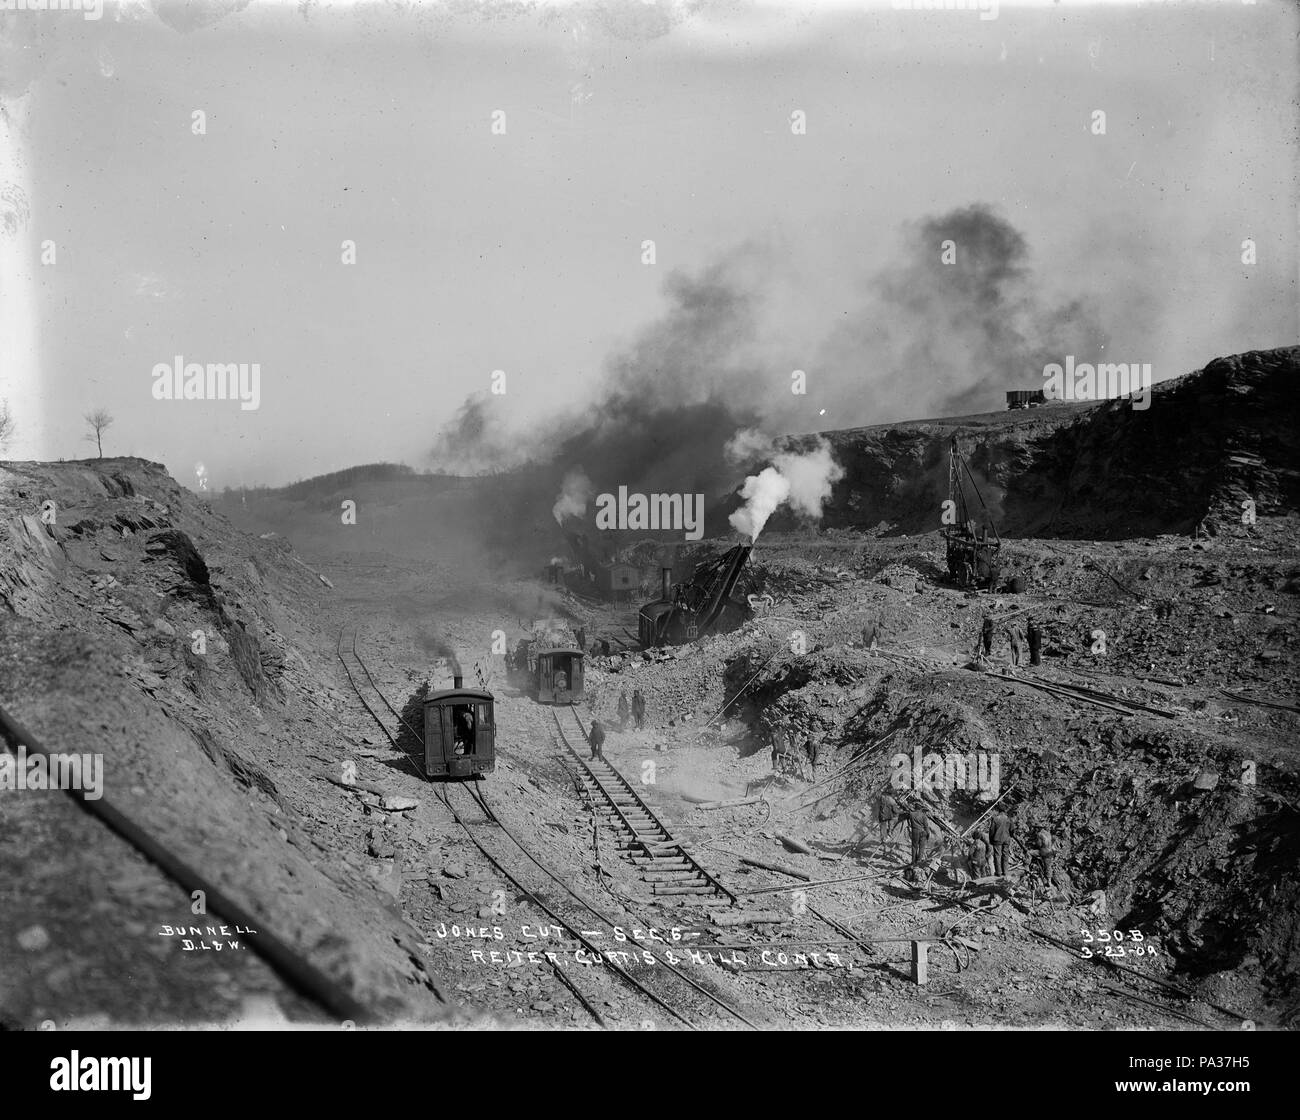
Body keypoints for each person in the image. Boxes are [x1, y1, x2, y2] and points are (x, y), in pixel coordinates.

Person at [906, 801, 932, 867]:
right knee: (921, 847)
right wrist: (928, 833)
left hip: (915, 831)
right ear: (921, 808)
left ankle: (913, 861)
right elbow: (926, 826)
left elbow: (907, 817)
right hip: (923, 832)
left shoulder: (911, 814)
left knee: (914, 847)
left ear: (915, 807)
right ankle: (919, 861)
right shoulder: (923, 815)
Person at [989, 807, 1012, 876]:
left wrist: (991, 839)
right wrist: (1009, 836)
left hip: (997, 839)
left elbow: (991, 830)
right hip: (1006, 839)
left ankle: (998, 872)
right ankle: (1005, 871)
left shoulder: (995, 819)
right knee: (1005, 855)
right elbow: (1012, 829)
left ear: (999, 811)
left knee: (997, 856)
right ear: (1005, 811)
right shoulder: (1008, 819)